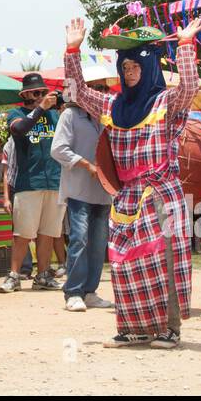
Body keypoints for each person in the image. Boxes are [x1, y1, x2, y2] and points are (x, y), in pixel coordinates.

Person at [64, 17, 201, 349]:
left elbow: (189, 89)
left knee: (163, 262)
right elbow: (76, 92)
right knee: (126, 264)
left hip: (160, 194)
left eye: (135, 66)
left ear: (151, 67)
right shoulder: (113, 106)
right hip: (126, 199)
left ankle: (170, 329)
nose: (128, 72)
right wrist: (72, 49)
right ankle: (134, 328)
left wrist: (185, 45)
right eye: (124, 67)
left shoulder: (166, 103)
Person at [51, 75, 113, 312]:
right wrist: (87, 165)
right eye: (98, 88)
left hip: (103, 191)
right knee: (79, 238)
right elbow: (58, 149)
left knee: (98, 243)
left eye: (105, 88)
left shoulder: (108, 119)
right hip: (78, 190)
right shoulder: (70, 115)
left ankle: (90, 291)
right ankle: (73, 291)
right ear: (86, 90)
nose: (103, 92)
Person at [0, 73, 64, 292]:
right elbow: (19, 129)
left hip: (55, 181)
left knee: (47, 232)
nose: (41, 96)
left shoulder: (55, 116)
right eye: (36, 93)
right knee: (23, 233)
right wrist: (40, 109)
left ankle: (43, 274)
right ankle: (14, 275)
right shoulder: (16, 114)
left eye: (43, 92)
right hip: (28, 182)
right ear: (25, 94)